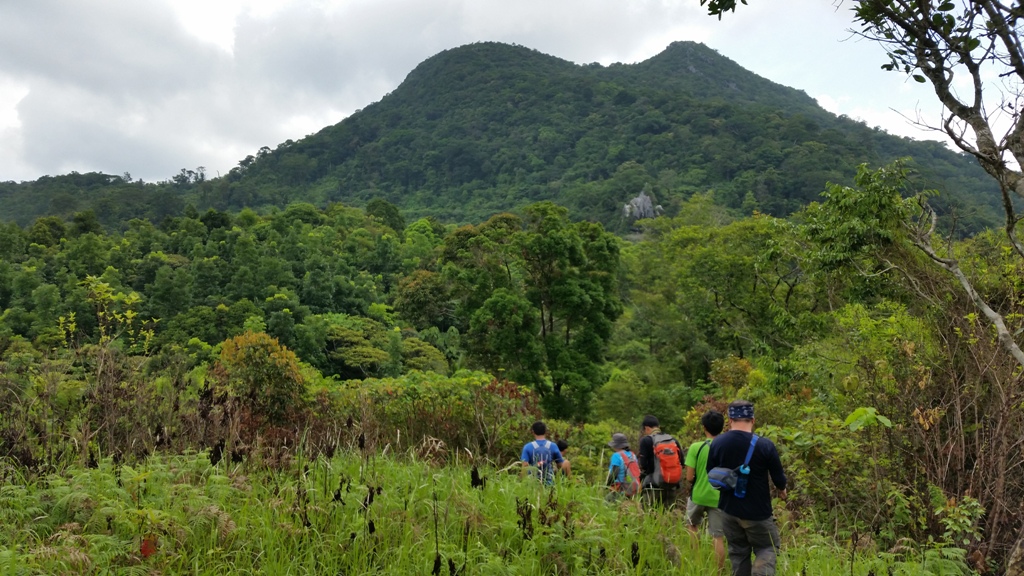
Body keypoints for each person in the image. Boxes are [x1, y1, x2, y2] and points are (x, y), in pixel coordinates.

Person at [707, 400, 787, 576]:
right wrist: (782, 490)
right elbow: (779, 478)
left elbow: (710, 472)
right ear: (753, 419)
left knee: (738, 552)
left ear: (730, 420)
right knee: (767, 548)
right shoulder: (765, 445)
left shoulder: (718, 443)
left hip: (728, 510)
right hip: (757, 512)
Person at [685, 409, 726, 573]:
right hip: (719, 497)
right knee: (718, 536)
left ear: (704, 427)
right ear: (722, 427)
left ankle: (696, 563)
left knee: (692, 525)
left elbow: (689, 477)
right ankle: (719, 571)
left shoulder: (696, 447)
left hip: (698, 495)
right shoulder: (725, 447)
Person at [637, 414, 684, 507]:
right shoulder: (672, 440)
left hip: (652, 487)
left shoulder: (646, 440)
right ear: (658, 426)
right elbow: (682, 462)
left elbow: (643, 465)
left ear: (646, 428)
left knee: (649, 514)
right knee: (668, 514)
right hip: (671, 487)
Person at [605, 432, 640, 499]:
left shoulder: (616, 455)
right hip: (634, 488)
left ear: (616, 445)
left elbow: (614, 473)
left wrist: (607, 486)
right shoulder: (633, 455)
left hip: (620, 488)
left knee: (606, 501)